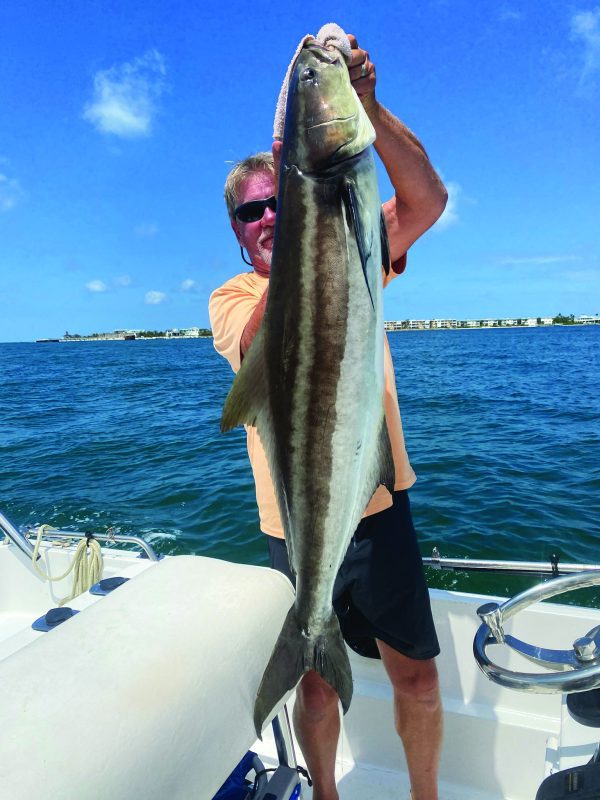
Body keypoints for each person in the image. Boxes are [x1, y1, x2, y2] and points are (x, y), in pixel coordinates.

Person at [209, 34, 447, 800]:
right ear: (239, 231)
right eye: (255, 210)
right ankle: (327, 793)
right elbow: (262, 341)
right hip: (295, 525)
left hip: (375, 504)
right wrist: (314, 209)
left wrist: (367, 108)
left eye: (278, 199)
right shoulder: (232, 300)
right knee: (313, 687)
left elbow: (428, 202)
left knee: (415, 673)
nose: (271, 215)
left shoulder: (356, 233)